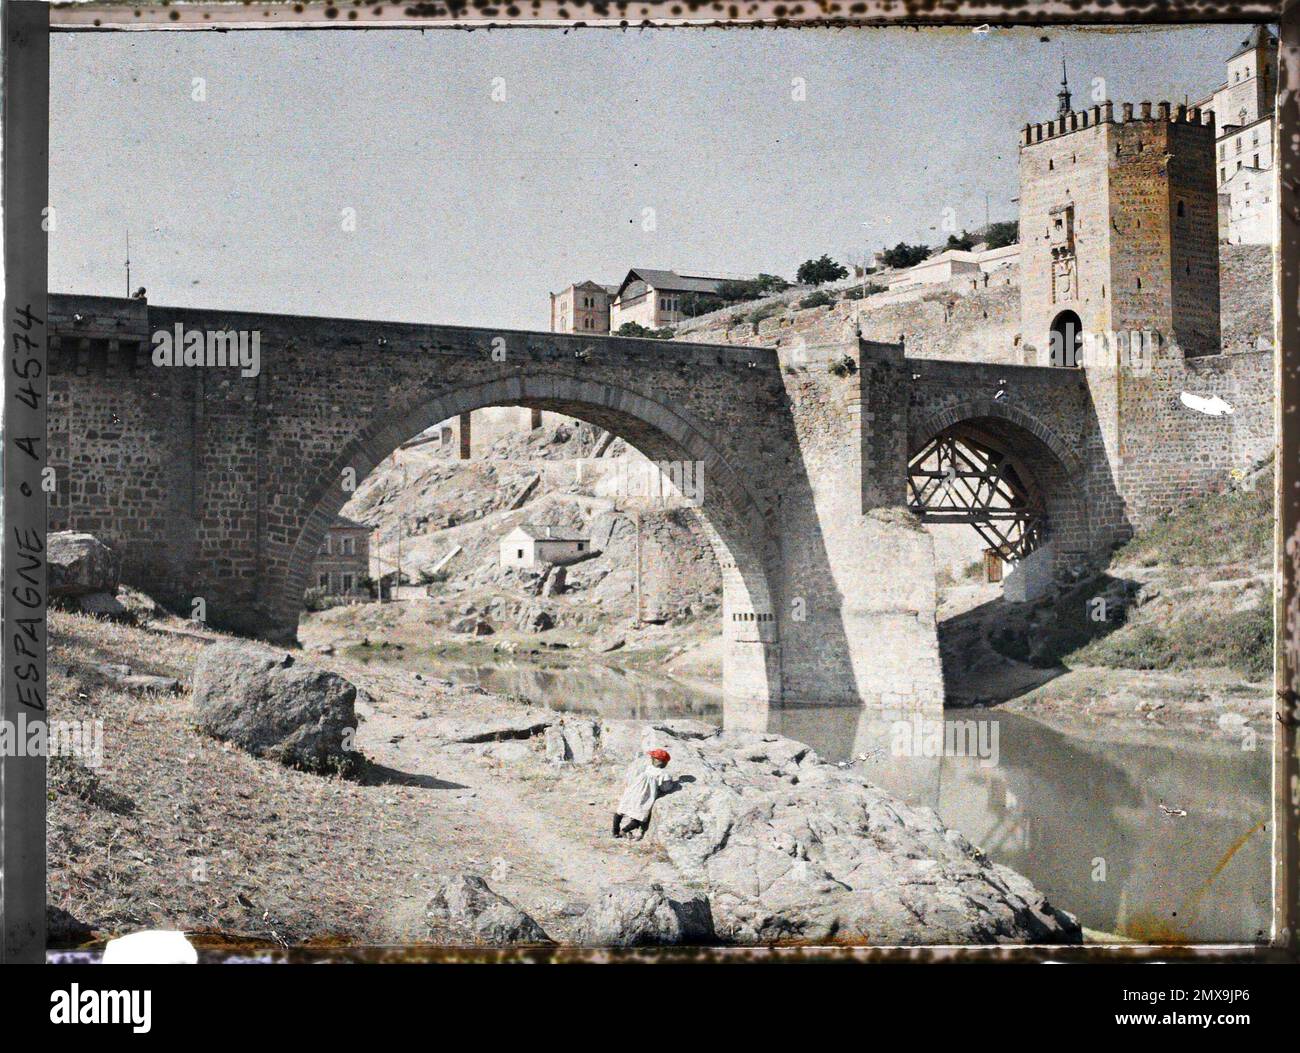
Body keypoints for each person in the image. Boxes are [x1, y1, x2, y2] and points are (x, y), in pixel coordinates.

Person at [612, 748, 671, 840]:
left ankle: (615, 831)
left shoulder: (646, 768)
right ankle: (624, 830)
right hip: (646, 796)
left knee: (621, 810)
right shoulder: (663, 774)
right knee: (640, 816)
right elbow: (665, 788)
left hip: (633, 791)